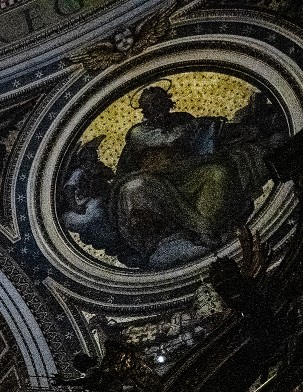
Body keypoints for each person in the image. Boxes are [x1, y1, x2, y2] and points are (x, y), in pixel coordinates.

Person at [106, 85, 282, 266]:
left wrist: (214, 128)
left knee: (217, 173)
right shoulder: (139, 132)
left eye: (159, 102)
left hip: (187, 171)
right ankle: (173, 239)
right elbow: (168, 139)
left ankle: (207, 229)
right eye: (150, 105)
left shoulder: (181, 118)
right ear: (145, 110)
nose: (156, 108)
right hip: (156, 176)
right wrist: (195, 124)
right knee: (136, 188)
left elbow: (202, 140)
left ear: (167, 102)